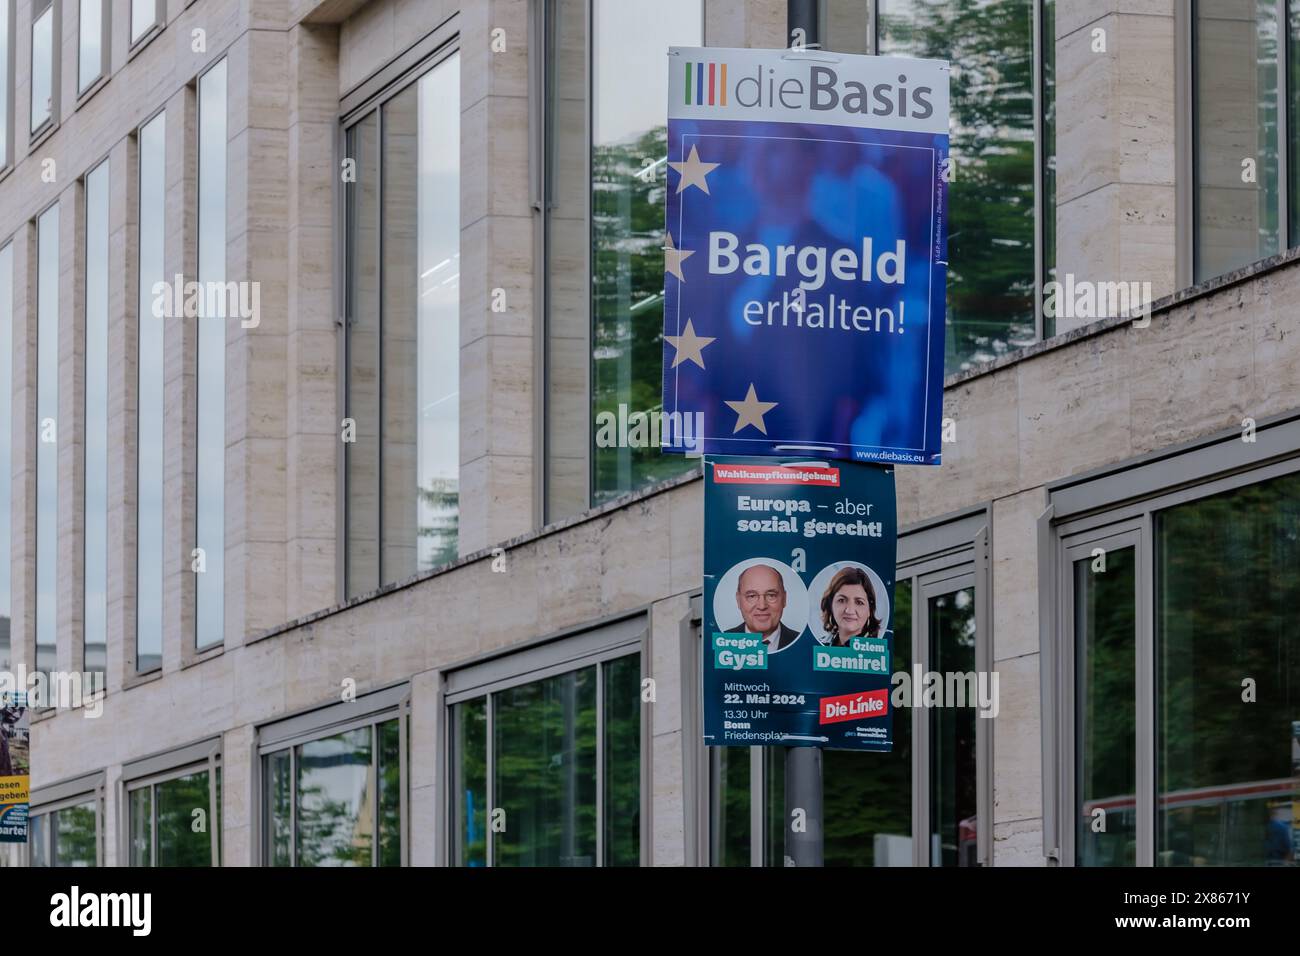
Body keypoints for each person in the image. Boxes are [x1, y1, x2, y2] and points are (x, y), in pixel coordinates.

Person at [726, 564, 799, 651]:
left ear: (784, 599)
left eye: (771, 595)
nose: (762, 606)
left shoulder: (802, 642)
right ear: (738, 600)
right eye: (752, 596)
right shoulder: (723, 640)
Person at [819, 566, 882, 646]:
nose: (849, 610)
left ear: (869, 609)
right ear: (830, 605)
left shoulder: (881, 647)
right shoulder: (818, 646)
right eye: (841, 600)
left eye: (859, 602)